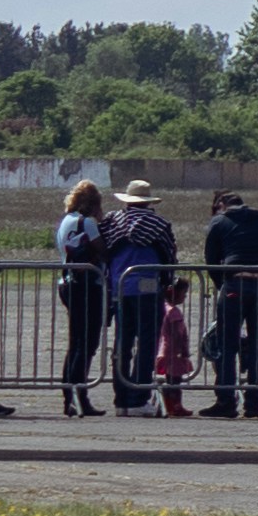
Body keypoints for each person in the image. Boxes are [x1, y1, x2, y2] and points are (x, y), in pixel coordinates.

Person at [202, 185, 258, 417]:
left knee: (227, 346)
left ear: (222, 206)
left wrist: (224, 286)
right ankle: (254, 404)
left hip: (235, 283)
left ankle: (226, 401)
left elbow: (211, 260)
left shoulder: (219, 223)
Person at [105, 182, 182, 413]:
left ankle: (121, 399)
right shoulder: (158, 224)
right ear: (149, 201)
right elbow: (169, 255)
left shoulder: (111, 221)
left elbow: (104, 253)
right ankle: (138, 397)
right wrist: (168, 282)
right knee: (147, 344)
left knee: (122, 344)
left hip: (120, 288)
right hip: (148, 288)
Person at [50, 173, 118, 414]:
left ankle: (69, 395)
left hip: (67, 283)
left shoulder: (65, 221)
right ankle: (79, 394)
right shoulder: (87, 223)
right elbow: (103, 251)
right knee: (87, 343)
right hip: (87, 284)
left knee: (75, 341)